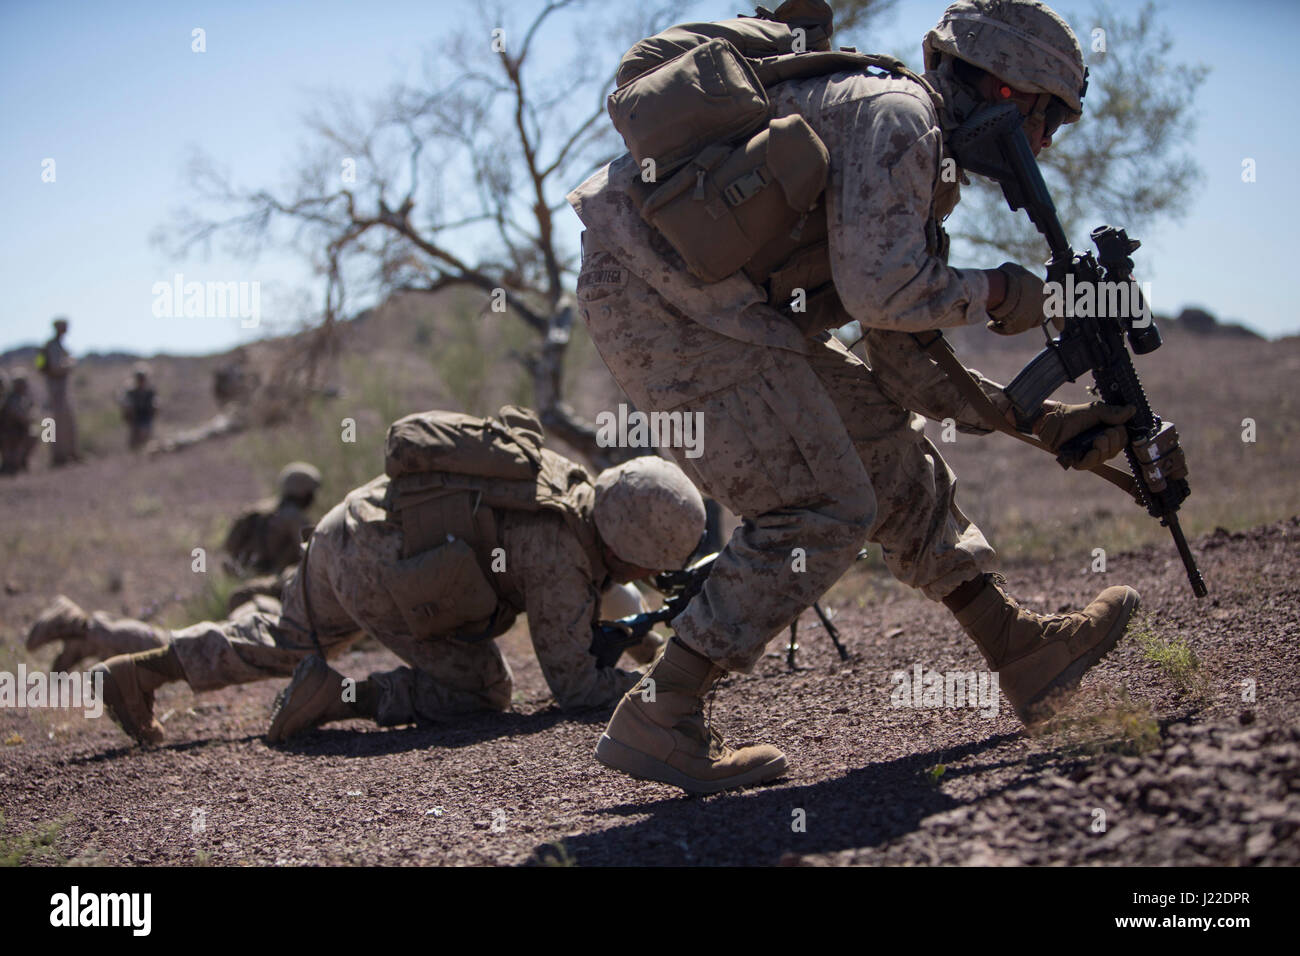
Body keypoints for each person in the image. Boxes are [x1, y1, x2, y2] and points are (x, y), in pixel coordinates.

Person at [566, 0, 1148, 794]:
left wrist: (1044, 423)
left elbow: (905, 362)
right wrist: (1009, 292)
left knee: (884, 447)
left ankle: (1021, 650)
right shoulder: (900, 119)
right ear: (1009, 92)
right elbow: (886, 293)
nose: (1045, 147)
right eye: (1050, 121)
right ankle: (662, 713)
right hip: (659, 299)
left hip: (706, 304)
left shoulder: (911, 141)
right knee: (820, 503)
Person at [25, 406, 704, 746]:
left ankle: (140, 670)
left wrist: (642, 632)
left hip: (349, 526)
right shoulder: (557, 552)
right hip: (386, 567)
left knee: (283, 639)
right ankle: (342, 699)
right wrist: (669, 680)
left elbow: (605, 592)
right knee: (484, 688)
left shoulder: (572, 486)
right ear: (630, 544)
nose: (651, 574)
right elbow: (575, 686)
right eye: (653, 563)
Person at [223, 462, 321, 579]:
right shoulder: (294, 517)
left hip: (244, 576)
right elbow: (313, 553)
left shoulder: (260, 508)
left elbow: (228, 546)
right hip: (275, 580)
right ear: (304, 492)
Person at [36, 317, 79, 466]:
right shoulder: (52, 346)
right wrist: (69, 364)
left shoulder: (59, 346)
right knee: (53, 425)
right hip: (54, 391)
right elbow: (55, 368)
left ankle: (69, 454)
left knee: (67, 423)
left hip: (60, 390)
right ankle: (57, 457)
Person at [0, 369, 38, 475]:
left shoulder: (18, 398)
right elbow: (24, 418)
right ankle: (12, 464)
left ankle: (17, 463)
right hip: (9, 434)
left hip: (13, 432)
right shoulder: (12, 399)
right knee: (31, 433)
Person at [120, 364, 158, 451]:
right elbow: (124, 401)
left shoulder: (150, 391)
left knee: (146, 438)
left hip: (146, 418)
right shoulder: (130, 391)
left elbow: (155, 402)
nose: (141, 381)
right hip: (134, 419)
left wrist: (154, 406)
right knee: (134, 442)